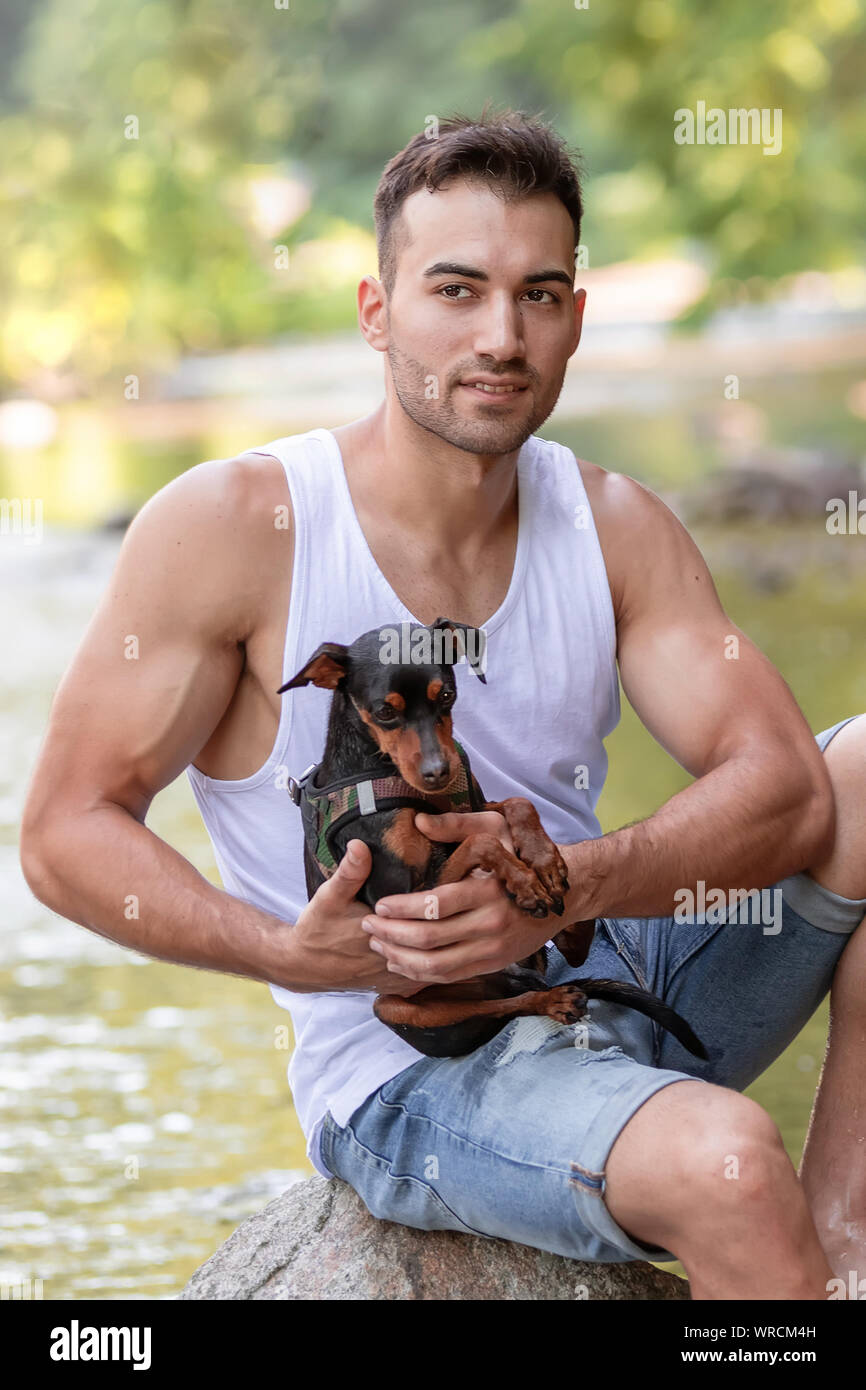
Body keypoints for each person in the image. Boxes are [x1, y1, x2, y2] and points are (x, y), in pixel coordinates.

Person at [20, 110, 866, 1300]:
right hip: (412, 1062)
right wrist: (283, 950)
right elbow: (63, 832)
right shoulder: (234, 528)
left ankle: (842, 1254)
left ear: (575, 314)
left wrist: (571, 887)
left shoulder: (614, 523)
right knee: (727, 1165)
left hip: (596, 965)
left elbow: (780, 786)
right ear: (378, 312)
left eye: (539, 293)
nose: (500, 336)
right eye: (456, 290)